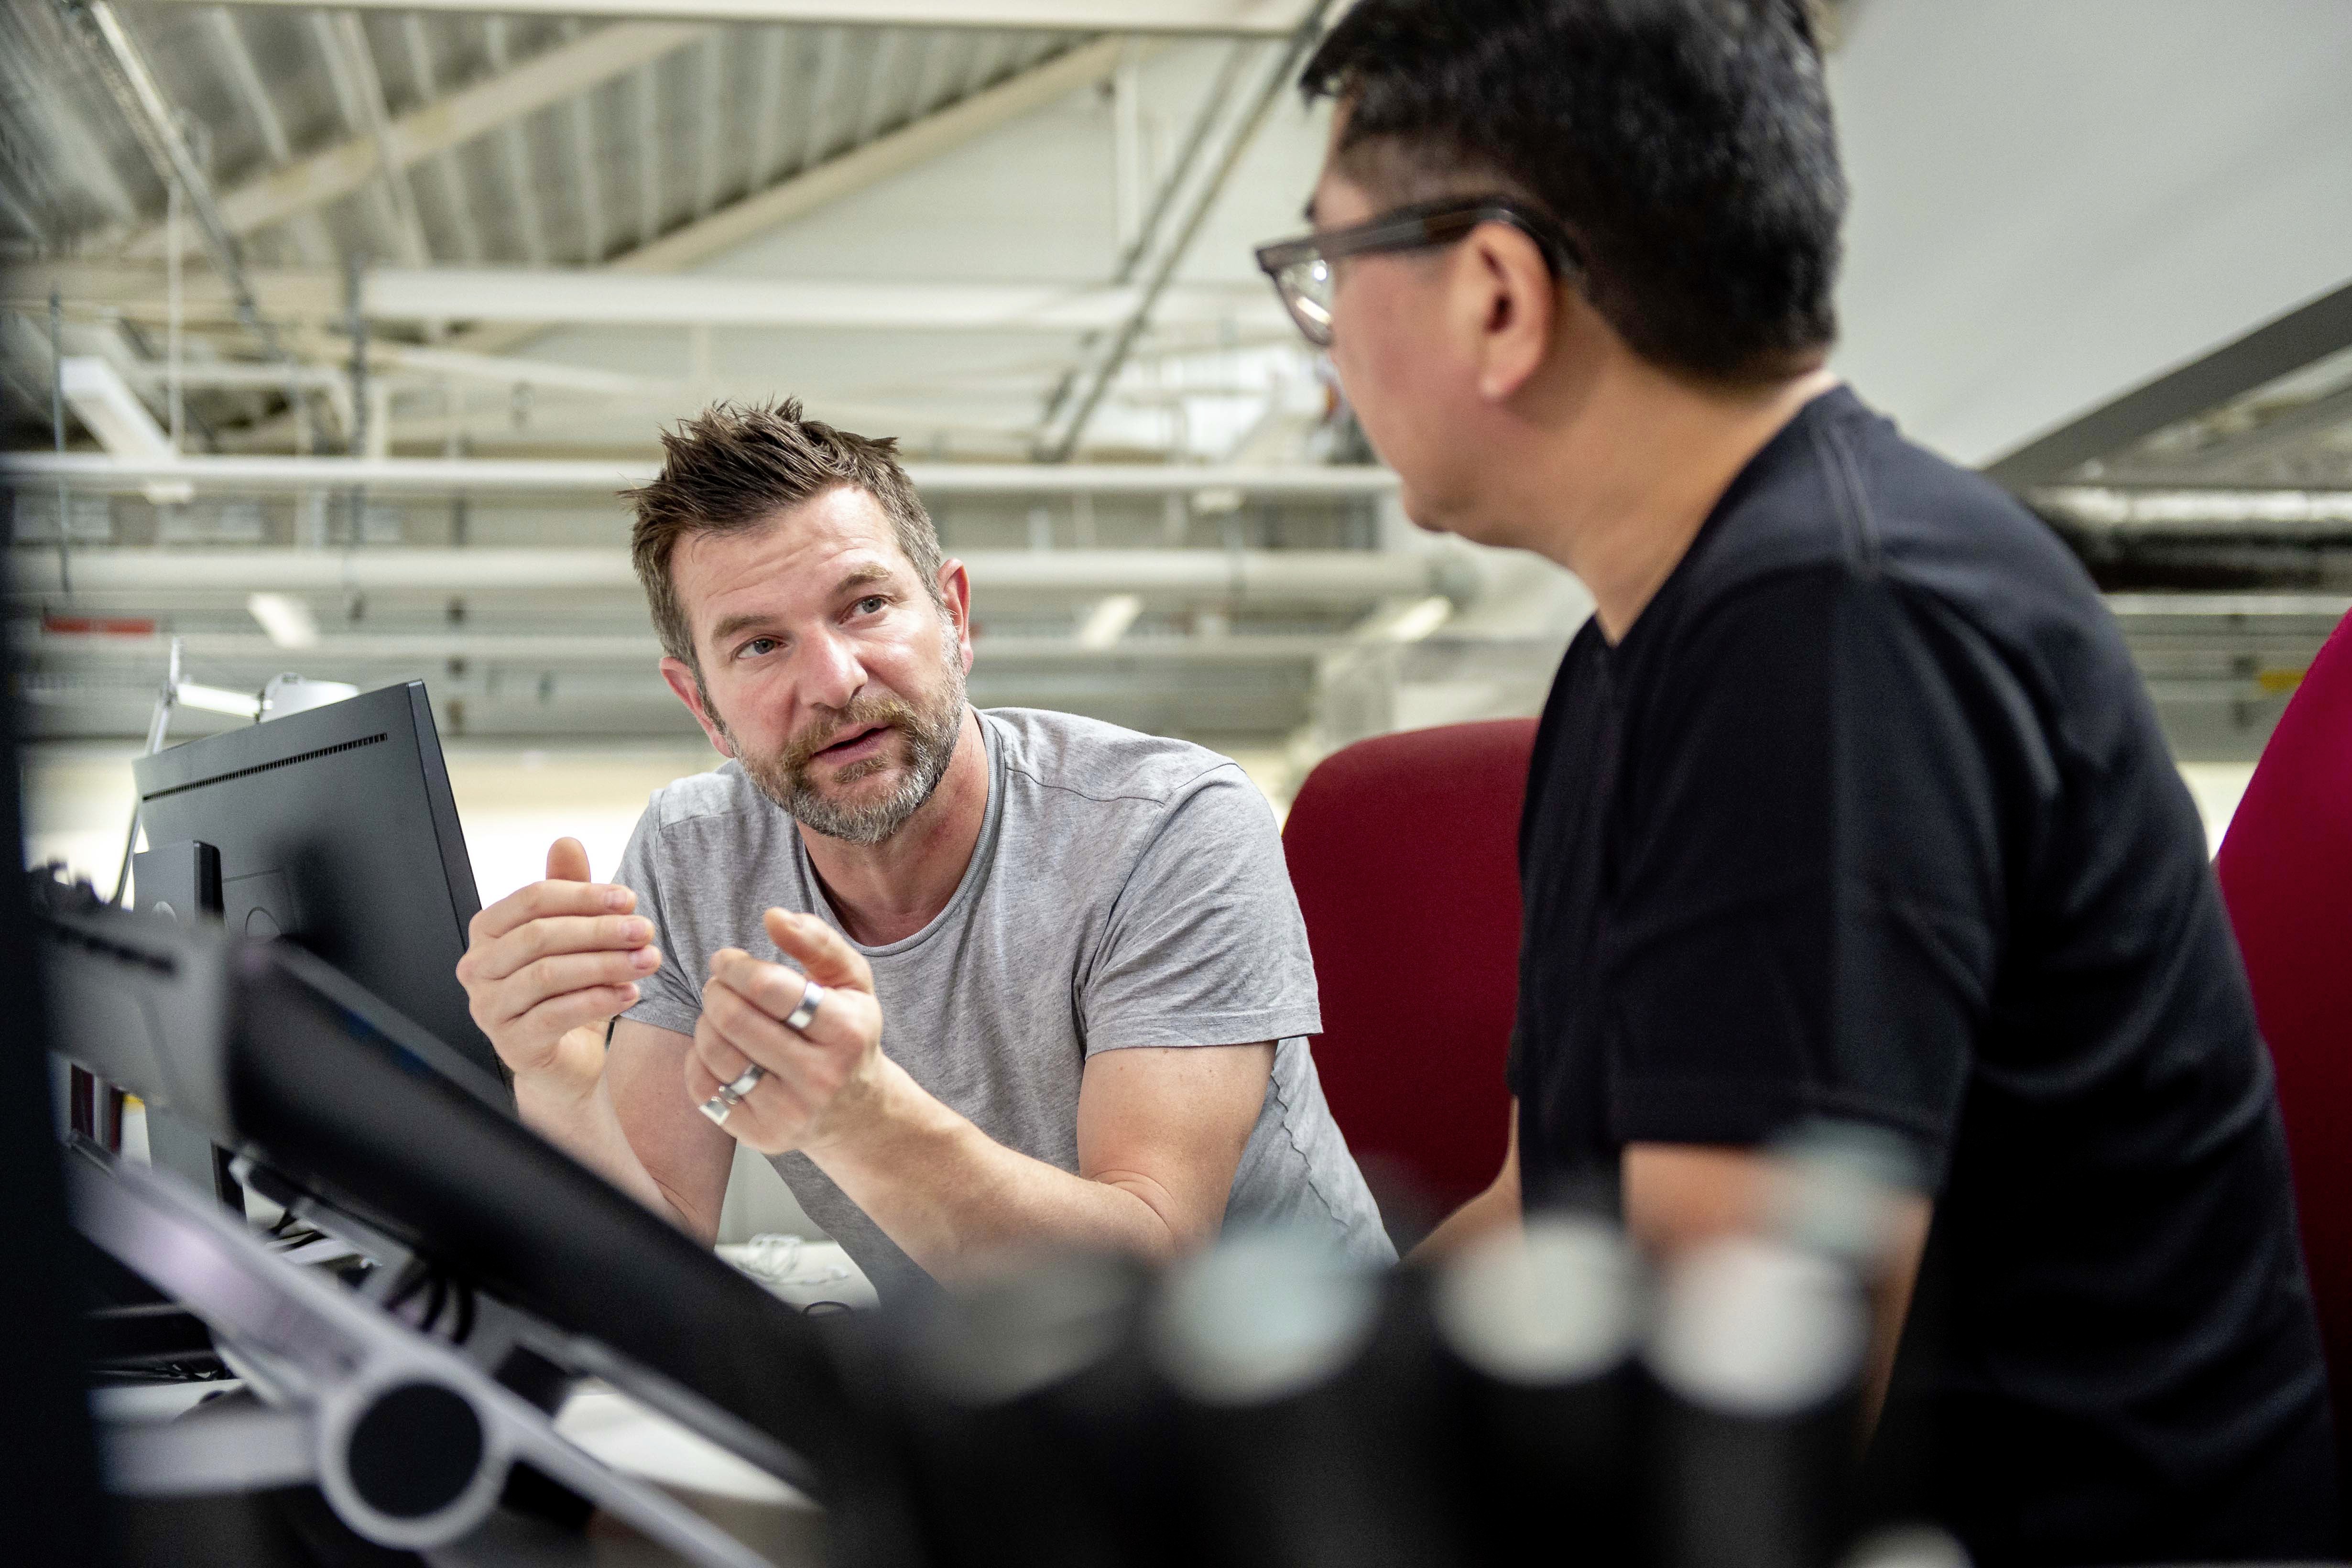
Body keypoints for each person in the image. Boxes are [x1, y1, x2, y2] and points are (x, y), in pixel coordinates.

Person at [1259, 0, 2339, 1560]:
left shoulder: (1837, 624)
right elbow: (1546, 1204)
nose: (1330, 350)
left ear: (1496, 294)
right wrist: (1269, 1413)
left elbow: (1735, 1410)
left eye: (1329, 273)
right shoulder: (1648, 646)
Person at [454, 400, 1392, 1301]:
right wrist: (557, 1080)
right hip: (1002, 1396)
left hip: (1303, 1402)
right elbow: (655, 1264)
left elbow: (1146, 1273)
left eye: (865, 605)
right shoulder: (691, 854)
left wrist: (864, 1119)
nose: (832, 680)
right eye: (759, 645)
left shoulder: (1168, 824)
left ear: (954, 615)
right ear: (701, 705)